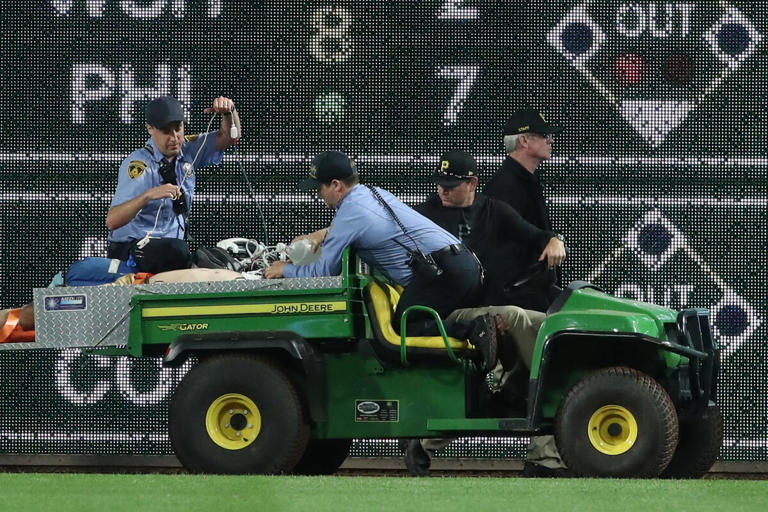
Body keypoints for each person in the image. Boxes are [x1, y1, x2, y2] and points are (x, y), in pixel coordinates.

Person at [403, 150, 569, 477]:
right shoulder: (421, 215)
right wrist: (325, 235)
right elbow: (372, 227)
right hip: (443, 312)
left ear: (472, 183)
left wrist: (554, 240)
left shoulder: (493, 210)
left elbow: (536, 236)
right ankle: (543, 451)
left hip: (483, 311)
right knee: (520, 321)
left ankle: (536, 441)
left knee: (554, 329)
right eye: (440, 183)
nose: (443, 190)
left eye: (452, 184)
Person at [263, 150, 503, 370]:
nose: (318, 195)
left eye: (319, 188)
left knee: (403, 329)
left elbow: (322, 273)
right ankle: (482, 344)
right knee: (423, 322)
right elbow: (361, 224)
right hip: (464, 265)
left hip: (444, 272)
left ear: (336, 185)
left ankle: (476, 329)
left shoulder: (350, 214)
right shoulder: (371, 193)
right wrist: (323, 233)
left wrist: (286, 270)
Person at [106, 95, 242, 273]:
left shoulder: (188, 150)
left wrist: (229, 112)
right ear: (150, 128)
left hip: (170, 251)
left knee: (217, 259)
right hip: (133, 249)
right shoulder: (139, 166)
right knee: (178, 251)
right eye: (166, 131)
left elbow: (229, 137)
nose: (174, 137)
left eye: (178, 128)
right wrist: (148, 195)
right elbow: (112, 221)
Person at [483, 109, 565, 312]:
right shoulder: (504, 187)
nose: (551, 141)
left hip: (533, 292)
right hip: (518, 299)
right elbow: (503, 254)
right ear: (524, 140)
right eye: (545, 135)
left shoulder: (526, 182)